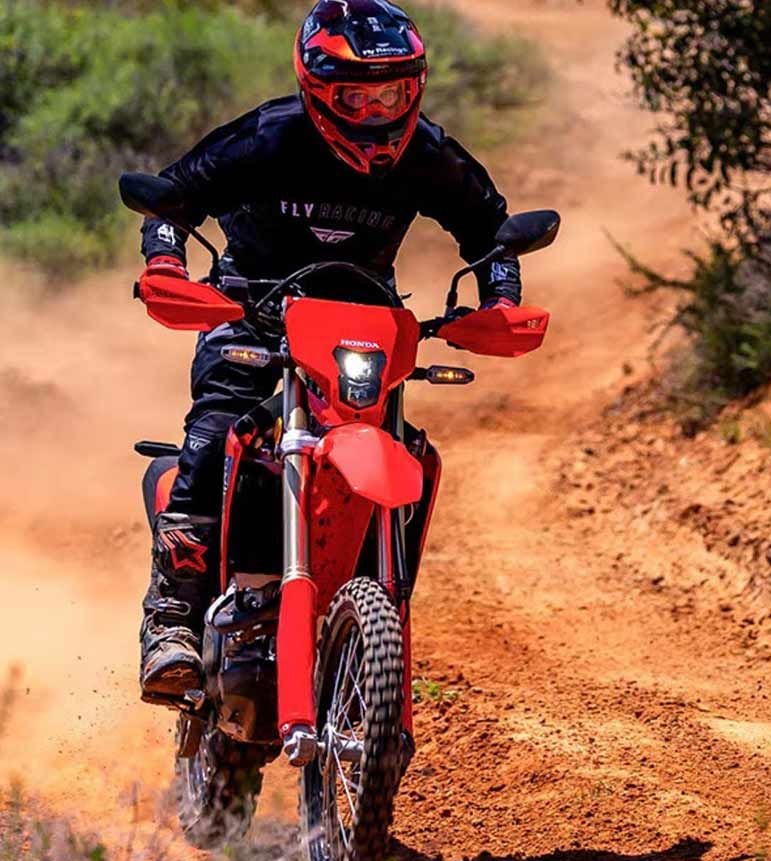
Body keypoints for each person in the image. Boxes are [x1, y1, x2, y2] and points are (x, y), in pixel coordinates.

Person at [138, 0, 521, 704]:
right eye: (355, 97)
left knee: (408, 448)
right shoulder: (268, 137)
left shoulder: (427, 154)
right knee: (216, 429)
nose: (375, 113)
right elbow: (171, 199)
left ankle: (371, 617)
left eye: (391, 96)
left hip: (362, 324)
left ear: (414, 90)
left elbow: (490, 230)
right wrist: (166, 266)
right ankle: (170, 620)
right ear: (317, 89)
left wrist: (500, 298)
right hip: (250, 311)